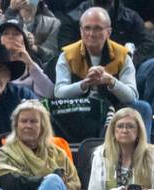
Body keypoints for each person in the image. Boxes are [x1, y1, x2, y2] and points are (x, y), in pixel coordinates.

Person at [53, 6, 151, 137]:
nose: (92, 34)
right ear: (81, 31)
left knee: (143, 107)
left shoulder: (122, 55)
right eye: (87, 28)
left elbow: (132, 96)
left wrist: (111, 81)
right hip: (78, 109)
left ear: (108, 32)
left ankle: (145, 155)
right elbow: (59, 93)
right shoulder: (67, 55)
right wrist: (84, 84)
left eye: (98, 28)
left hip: (115, 108)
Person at [0, 99, 80, 190]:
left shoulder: (58, 154)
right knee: (53, 180)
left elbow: (75, 184)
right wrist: (45, 180)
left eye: (33, 121)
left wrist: (56, 186)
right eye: (23, 121)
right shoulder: (4, 153)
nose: (28, 126)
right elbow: (10, 184)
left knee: (54, 182)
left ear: (43, 126)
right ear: (16, 126)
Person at [0, 12, 53, 98]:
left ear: (24, 40)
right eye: (5, 33)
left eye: (16, 33)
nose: (11, 36)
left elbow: (48, 93)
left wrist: (30, 63)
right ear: (0, 39)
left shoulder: (33, 64)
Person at [87, 106, 154, 190]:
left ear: (139, 131)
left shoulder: (151, 154)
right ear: (113, 131)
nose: (124, 130)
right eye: (120, 126)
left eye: (130, 126)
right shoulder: (101, 155)